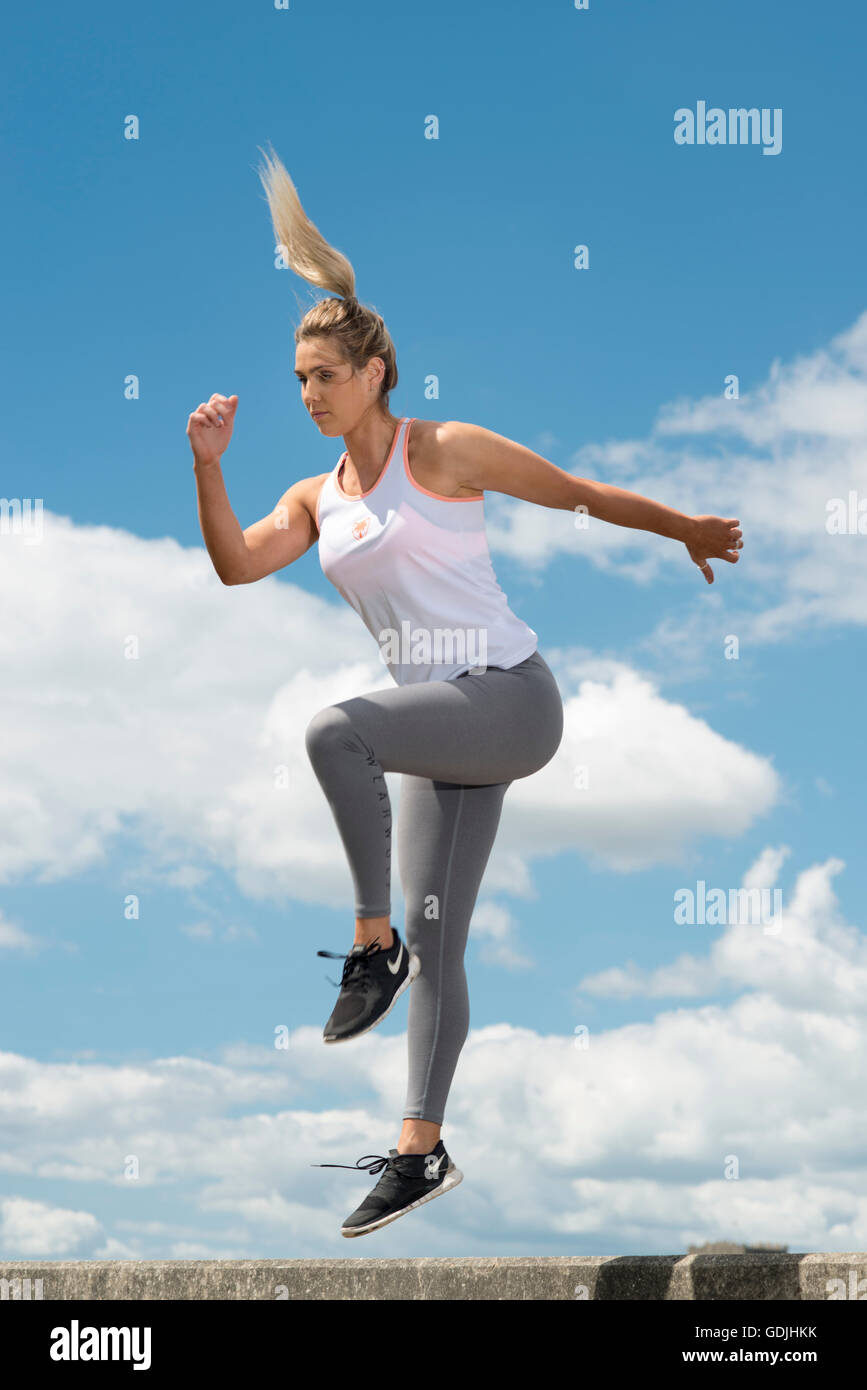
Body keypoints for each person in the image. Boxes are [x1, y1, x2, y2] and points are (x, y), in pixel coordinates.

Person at [186, 145, 744, 1239]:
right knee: (444, 942)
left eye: (326, 378)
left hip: (509, 701)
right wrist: (208, 465)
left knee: (335, 730)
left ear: (377, 373)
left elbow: (576, 493)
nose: (309, 394)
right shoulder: (316, 496)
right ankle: (420, 1146)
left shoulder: (443, 452)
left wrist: (684, 528)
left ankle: (368, 940)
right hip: (446, 734)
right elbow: (235, 565)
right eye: (298, 380)